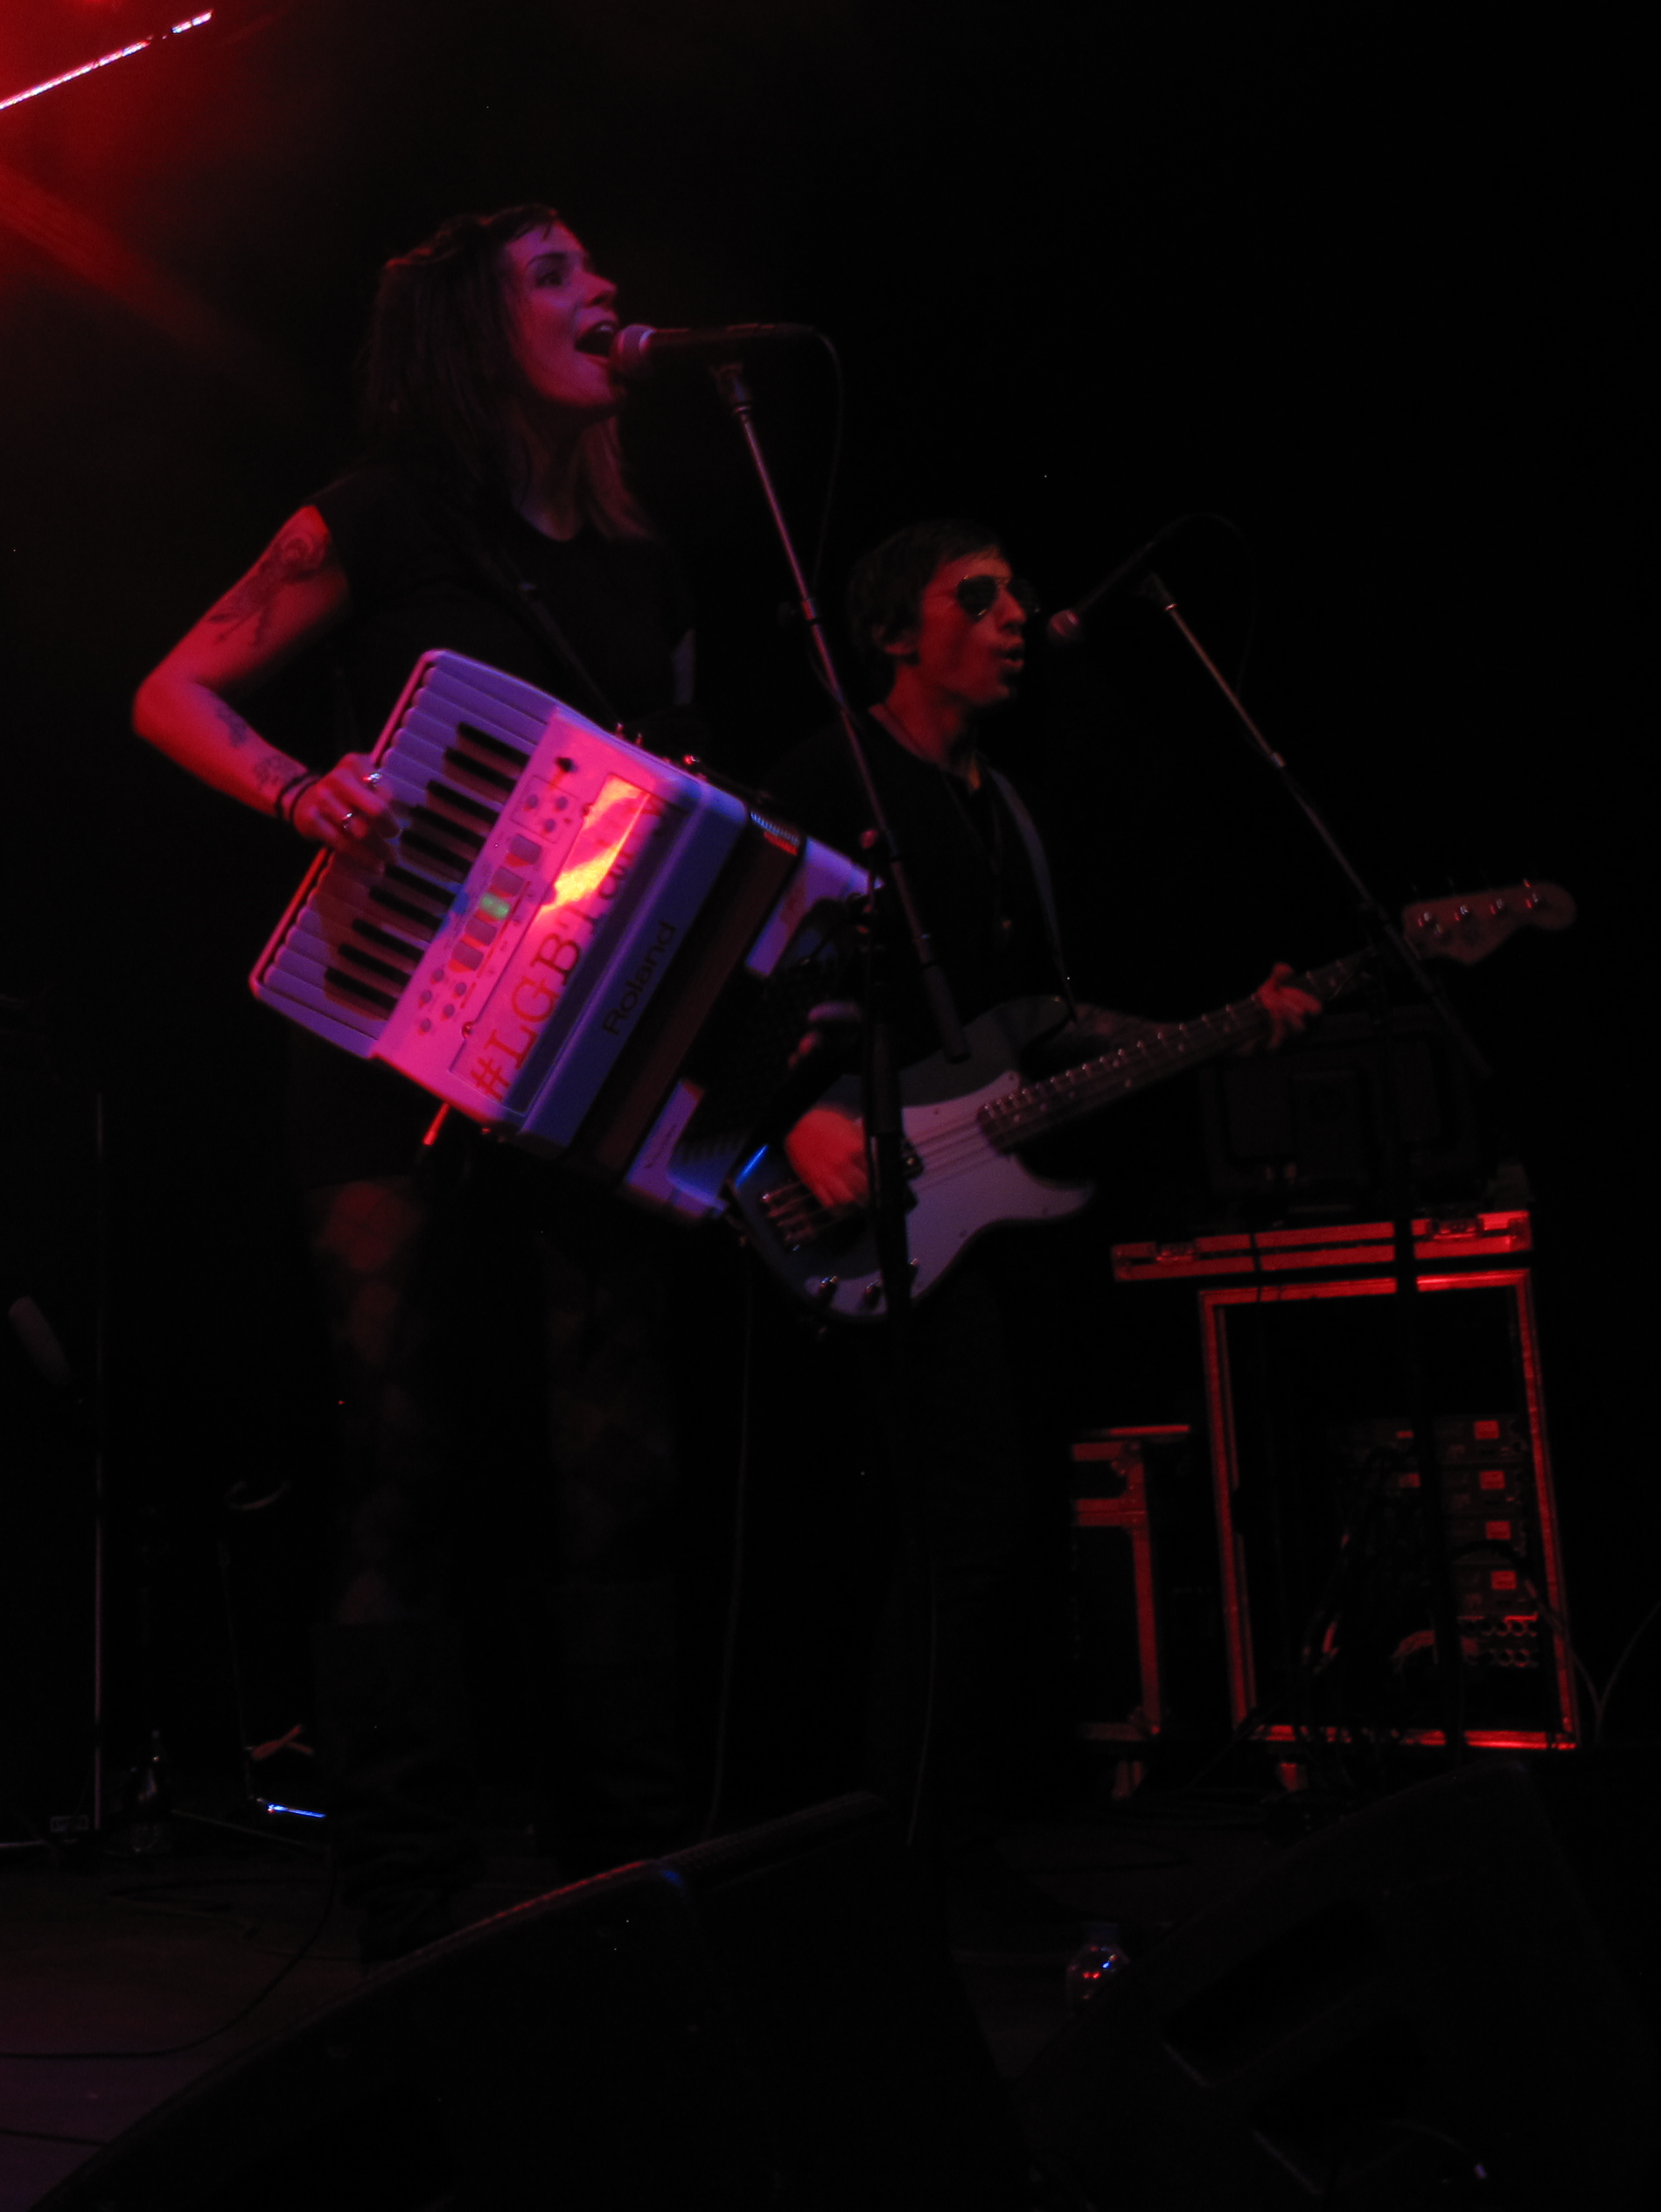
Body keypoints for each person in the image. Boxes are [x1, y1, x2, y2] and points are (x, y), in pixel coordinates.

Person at [133, 203, 700, 1955]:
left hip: (574, 1053)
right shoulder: (381, 513)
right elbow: (174, 691)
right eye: (555, 272)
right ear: (472, 324)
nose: (603, 287)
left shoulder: (646, 567)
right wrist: (307, 794)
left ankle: (627, 1864)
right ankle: (399, 1886)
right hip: (384, 1033)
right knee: (405, 1450)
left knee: (617, 1458)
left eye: (600, 266)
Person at [758, 520, 1312, 1938]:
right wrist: (788, 1123)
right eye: (978, 596)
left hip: (979, 1213)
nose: (1017, 617)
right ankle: (904, 1860)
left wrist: (1218, 1029)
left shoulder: (1006, 809)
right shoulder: (831, 775)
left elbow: (1045, 1019)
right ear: (896, 628)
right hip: (857, 1194)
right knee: (959, 1526)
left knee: (984, 1528)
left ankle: (938, 1841)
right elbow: (733, 971)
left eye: (1015, 596)